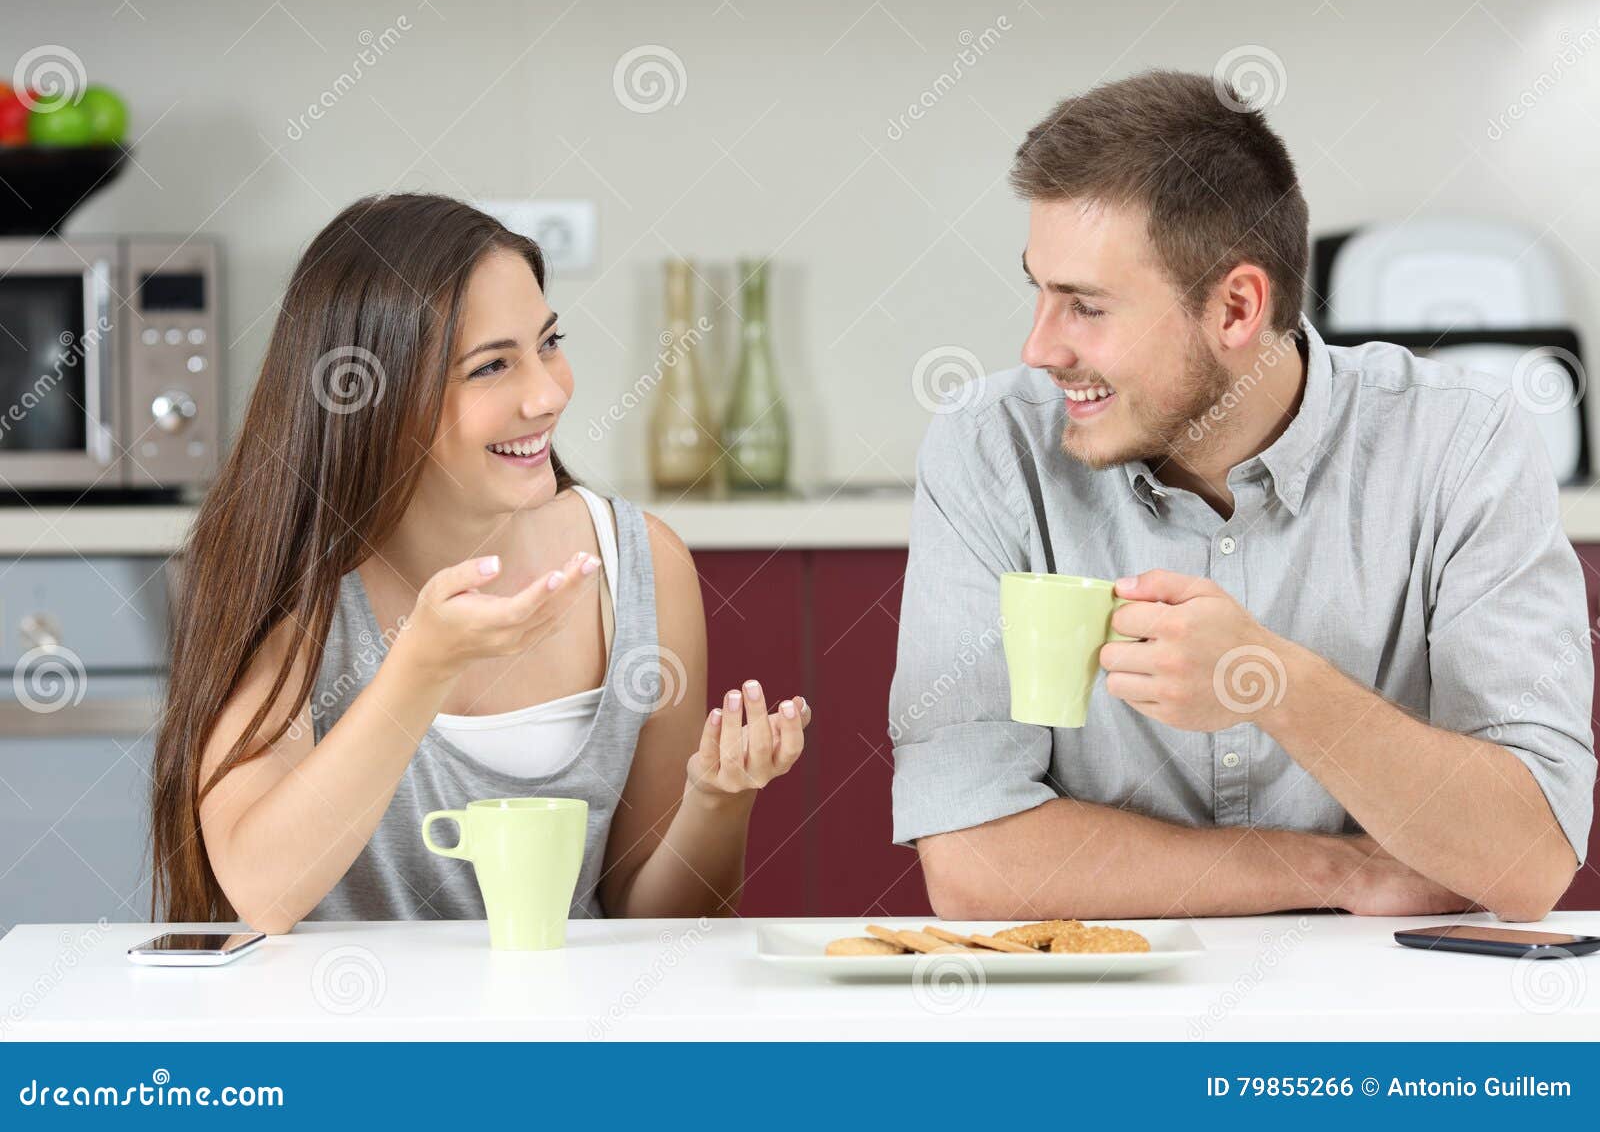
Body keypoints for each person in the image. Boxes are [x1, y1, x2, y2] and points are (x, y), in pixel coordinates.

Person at [889, 70, 1594, 923]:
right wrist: (1339, 872)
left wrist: (1279, 686)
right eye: (1038, 289)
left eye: (1085, 306)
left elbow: (1528, 861)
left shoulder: (1463, 447)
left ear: (1235, 308)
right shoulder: (991, 446)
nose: (1039, 346)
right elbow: (972, 861)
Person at [152, 193, 810, 930]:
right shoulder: (291, 580)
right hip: (348, 1037)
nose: (547, 393)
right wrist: (421, 666)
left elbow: (647, 919)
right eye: (492, 365)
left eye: (548, 343)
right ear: (377, 396)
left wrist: (718, 800)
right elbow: (263, 892)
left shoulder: (640, 565)